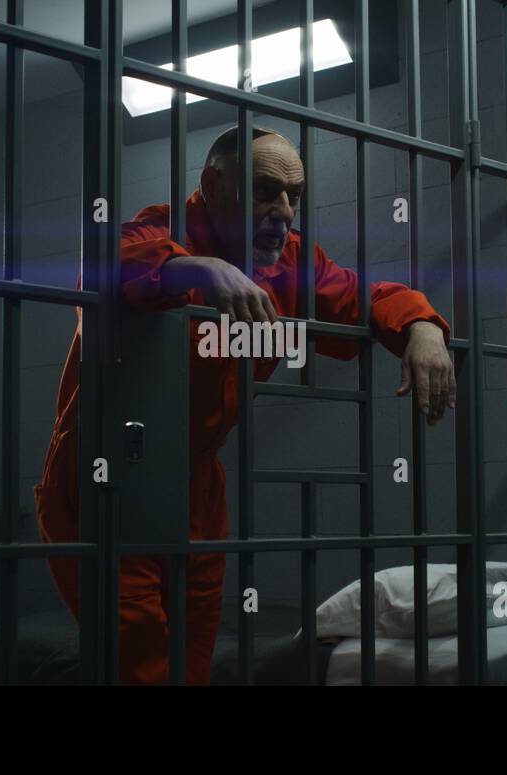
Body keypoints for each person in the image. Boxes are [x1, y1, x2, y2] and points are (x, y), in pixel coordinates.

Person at [35, 125, 457, 685]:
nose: (283, 211)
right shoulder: (165, 231)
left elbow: (366, 298)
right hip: (103, 476)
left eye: (294, 195)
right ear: (212, 185)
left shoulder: (290, 263)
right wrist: (199, 268)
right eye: (264, 190)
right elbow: (106, 262)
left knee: (192, 662)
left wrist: (423, 326)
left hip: (197, 488)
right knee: (138, 666)